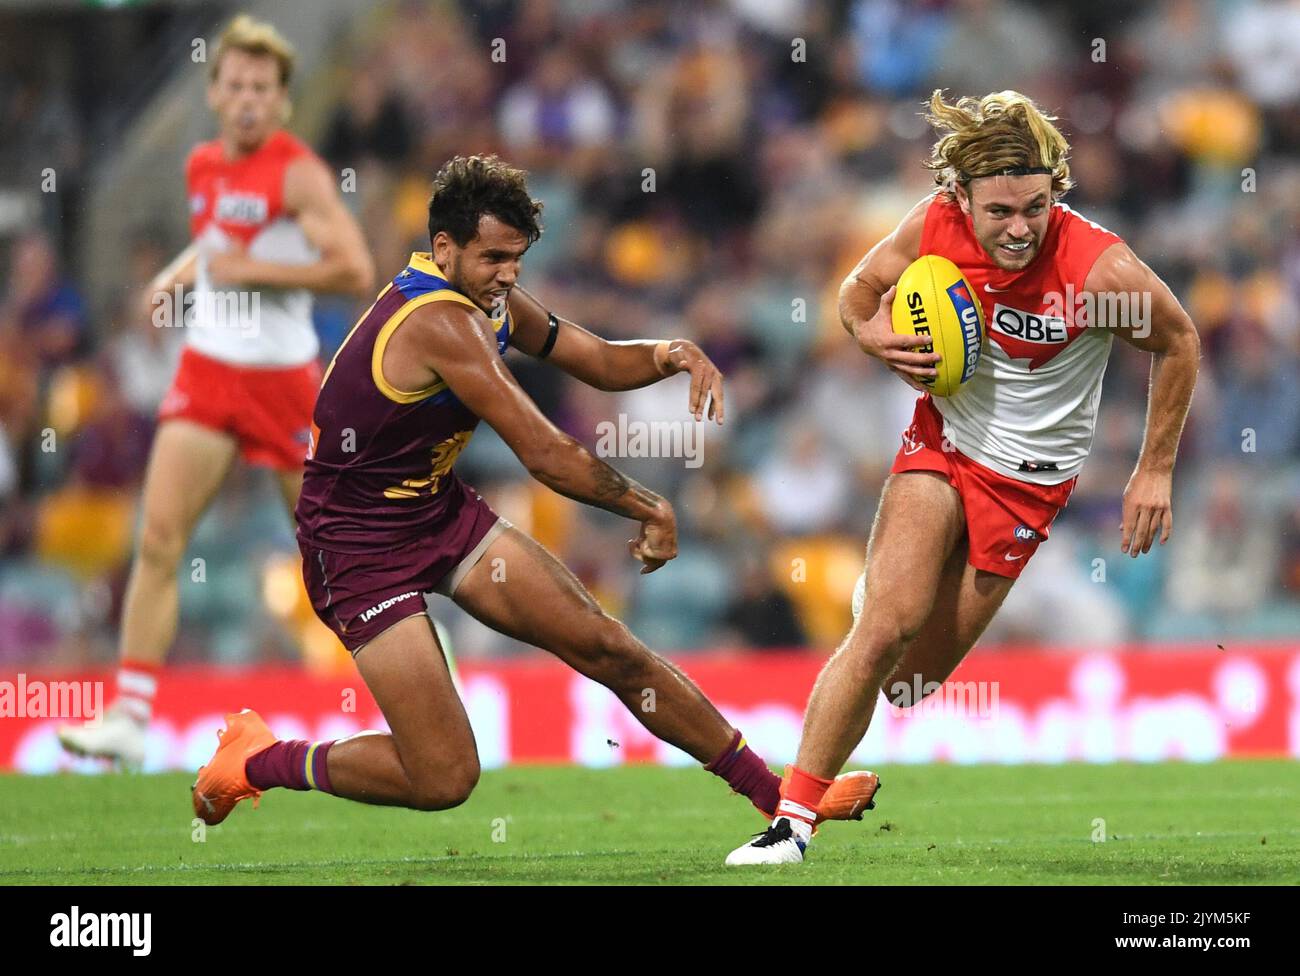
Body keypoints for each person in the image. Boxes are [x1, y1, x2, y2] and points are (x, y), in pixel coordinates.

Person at [191, 154, 877, 826]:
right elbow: (545, 452)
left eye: (517, 258)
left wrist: (669, 352)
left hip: (435, 512)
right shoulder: (439, 321)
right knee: (444, 777)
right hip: (356, 551)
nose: (508, 276)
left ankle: (780, 798)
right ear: (443, 247)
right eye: (494, 258)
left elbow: (598, 358)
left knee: (609, 647)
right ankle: (259, 760)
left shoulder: (484, 298)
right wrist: (647, 505)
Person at [727, 90, 1200, 864]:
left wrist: (1154, 469)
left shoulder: (1098, 265)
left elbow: (1179, 341)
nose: (1020, 228)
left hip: (1028, 488)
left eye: (1036, 208)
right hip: (942, 445)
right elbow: (857, 292)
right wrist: (874, 337)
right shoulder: (933, 224)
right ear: (961, 199)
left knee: (907, 684)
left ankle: (877, 625)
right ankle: (792, 824)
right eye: (1002, 211)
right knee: (883, 626)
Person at [59, 16, 373, 767]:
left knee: (336, 558)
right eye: (234, 85)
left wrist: (254, 274)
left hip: (283, 382)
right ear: (213, 91)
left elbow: (354, 269)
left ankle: (422, 684)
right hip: (207, 370)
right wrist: (177, 274)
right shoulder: (202, 164)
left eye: (261, 88)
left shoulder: (298, 172)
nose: (246, 100)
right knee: (160, 537)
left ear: (282, 102)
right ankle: (131, 716)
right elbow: (217, 238)